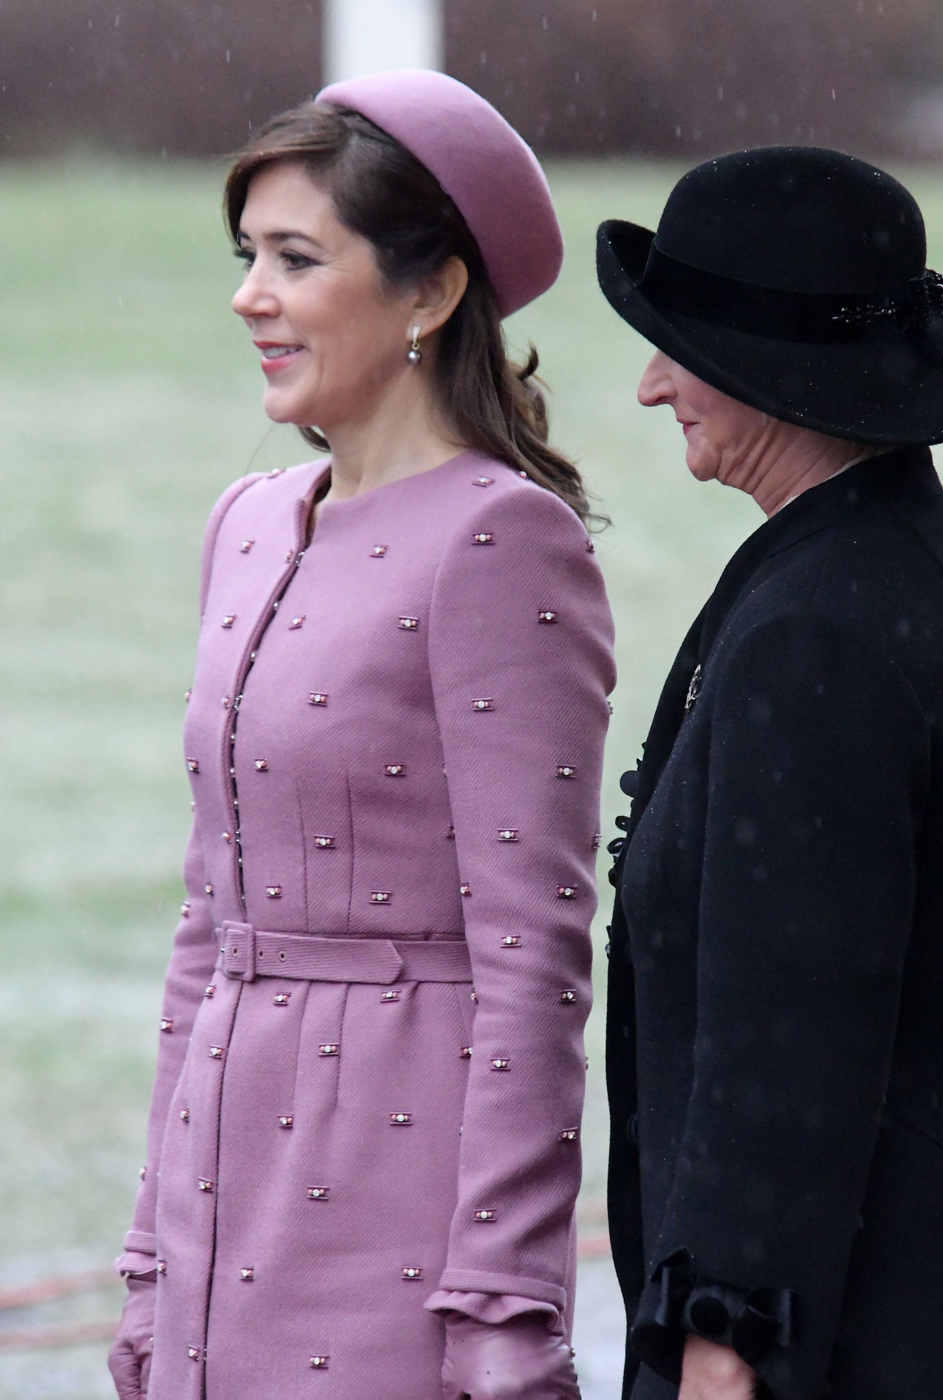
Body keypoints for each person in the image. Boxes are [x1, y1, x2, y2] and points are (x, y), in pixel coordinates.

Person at [108, 69, 614, 1400]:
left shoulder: (504, 541)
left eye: (295, 258)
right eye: (245, 256)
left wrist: (500, 1293)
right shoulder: (245, 520)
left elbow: (535, 956)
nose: (249, 296)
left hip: (398, 1188)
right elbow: (207, 924)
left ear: (431, 291)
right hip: (222, 1175)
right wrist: (153, 1250)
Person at [597, 146, 943, 1400]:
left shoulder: (823, 630)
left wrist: (724, 1344)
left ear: (773, 372)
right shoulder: (895, 569)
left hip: (840, 1346)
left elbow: (790, 1038)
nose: (652, 385)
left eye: (680, 350)